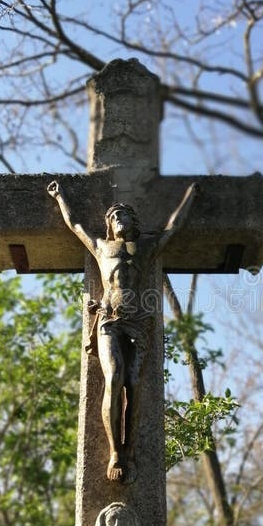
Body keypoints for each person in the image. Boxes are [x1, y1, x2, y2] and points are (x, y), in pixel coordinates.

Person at [47, 180, 199, 483]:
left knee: (133, 382)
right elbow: (76, 224)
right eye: (112, 217)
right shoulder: (102, 248)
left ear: (133, 222)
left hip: (139, 319)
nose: (116, 220)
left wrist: (191, 196)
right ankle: (115, 451)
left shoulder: (144, 248)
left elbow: (173, 227)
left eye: (121, 216)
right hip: (109, 319)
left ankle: (130, 450)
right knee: (114, 377)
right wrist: (60, 196)